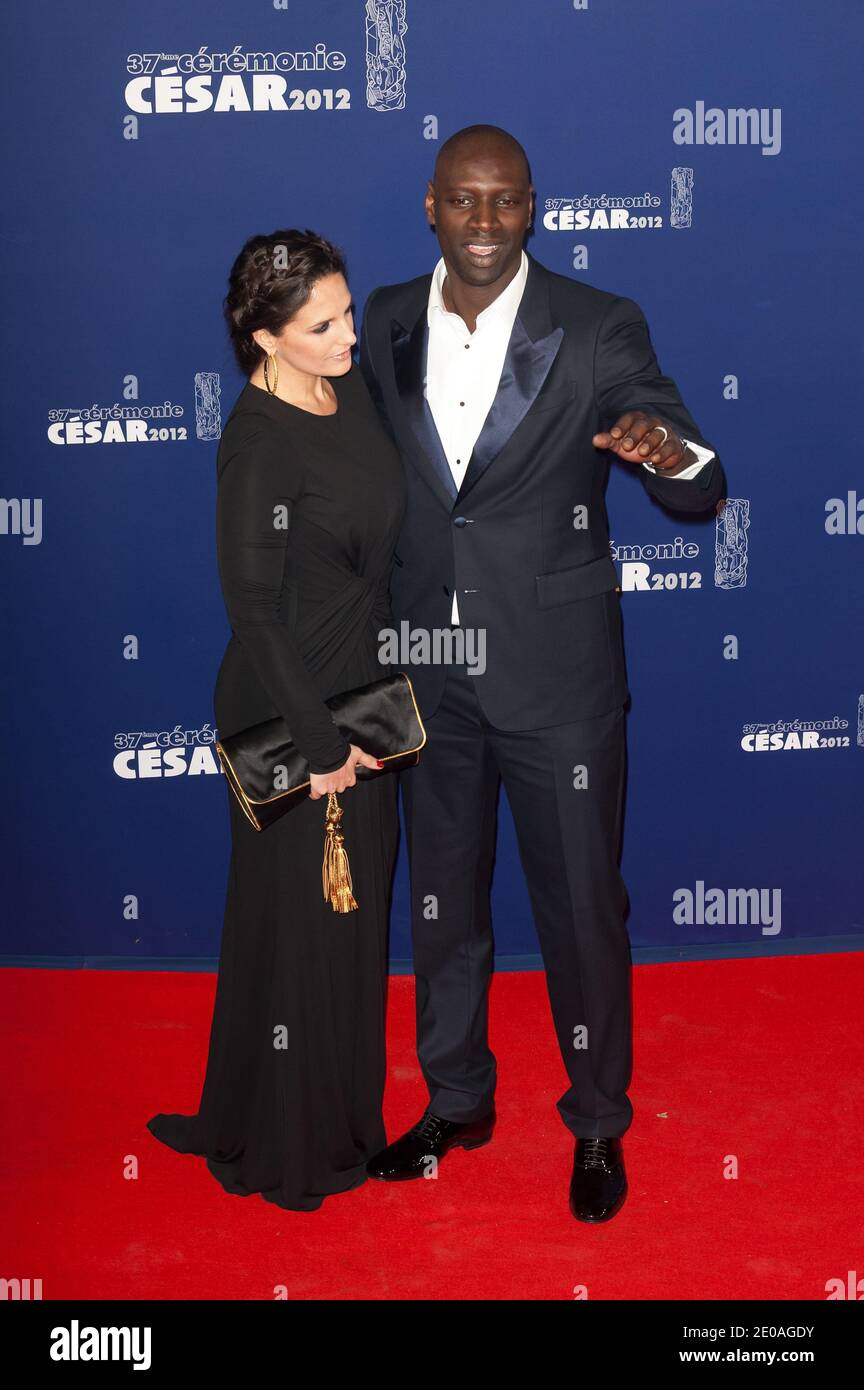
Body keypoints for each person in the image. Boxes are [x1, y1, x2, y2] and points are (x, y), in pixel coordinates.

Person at [359, 125, 727, 1222]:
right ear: (431, 205)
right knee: (440, 903)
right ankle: (458, 1098)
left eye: (505, 202)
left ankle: (600, 1122)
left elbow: (692, 465)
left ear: (533, 209)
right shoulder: (381, 319)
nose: (483, 222)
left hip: (557, 676)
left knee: (578, 908)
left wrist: (670, 453)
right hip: (428, 664)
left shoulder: (594, 323)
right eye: (464, 202)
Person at [147, 229, 406, 1211]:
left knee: (348, 928)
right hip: (291, 716)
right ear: (265, 338)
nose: (349, 334)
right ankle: (291, 1149)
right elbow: (252, 610)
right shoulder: (255, 443)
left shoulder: (349, 395)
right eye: (323, 324)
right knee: (300, 928)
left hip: (368, 704)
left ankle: (328, 1114)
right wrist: (323, 744)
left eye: (345, 312)